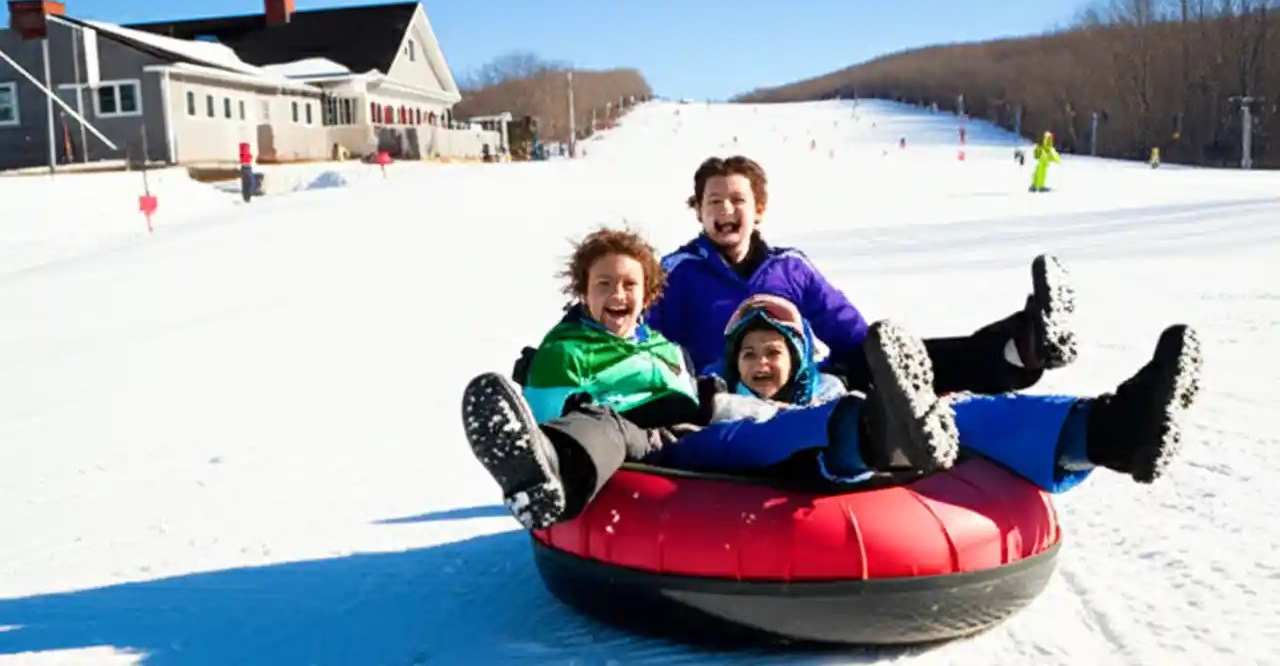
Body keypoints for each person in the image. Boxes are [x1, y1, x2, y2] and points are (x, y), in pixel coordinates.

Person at [460, 227, 965, 530]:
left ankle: (879, 435)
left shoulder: (663, 348)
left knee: (762, 432)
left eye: (629, 284)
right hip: (622, 433)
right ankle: (549, 478)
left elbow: (705, 397)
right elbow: (546, 414)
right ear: (584, 292)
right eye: (604, 284)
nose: (618, 293)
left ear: (648, 293)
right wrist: (543, 443)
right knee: (603, 427)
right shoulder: (566, 347)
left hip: (683, 433)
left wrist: (753, 408)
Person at [666, 293, 1204, 492]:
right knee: (796, 425)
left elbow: (844, 330)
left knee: (956, 414)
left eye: (773, 352)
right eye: (749, 354)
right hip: (754, 463)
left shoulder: (826, 384)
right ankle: (885, 433)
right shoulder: (714, 396)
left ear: (799, 357)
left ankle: (1112, 430)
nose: (761, 363)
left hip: (839, 456)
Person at [644, 155, 1077, 395]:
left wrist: (881, 357)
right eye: (713, 201)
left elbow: (849, 331)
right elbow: (647, 347)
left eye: (737, 200)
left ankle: (1021, 347)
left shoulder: (790, 267)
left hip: (801, 386)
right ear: (698, 210)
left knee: (888, 352)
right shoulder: (678, 273)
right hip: (725, 394)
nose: (725, 210)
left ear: (759, 209)